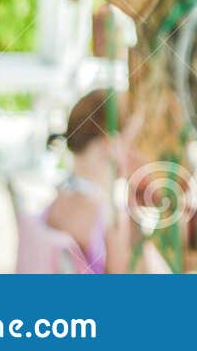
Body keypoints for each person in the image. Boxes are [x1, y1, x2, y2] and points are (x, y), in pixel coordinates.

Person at [29, 90, 137, 274]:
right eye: (130, 143)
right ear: (108, 144)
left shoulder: (55, 204)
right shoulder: (111, 217)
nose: (133, 153)